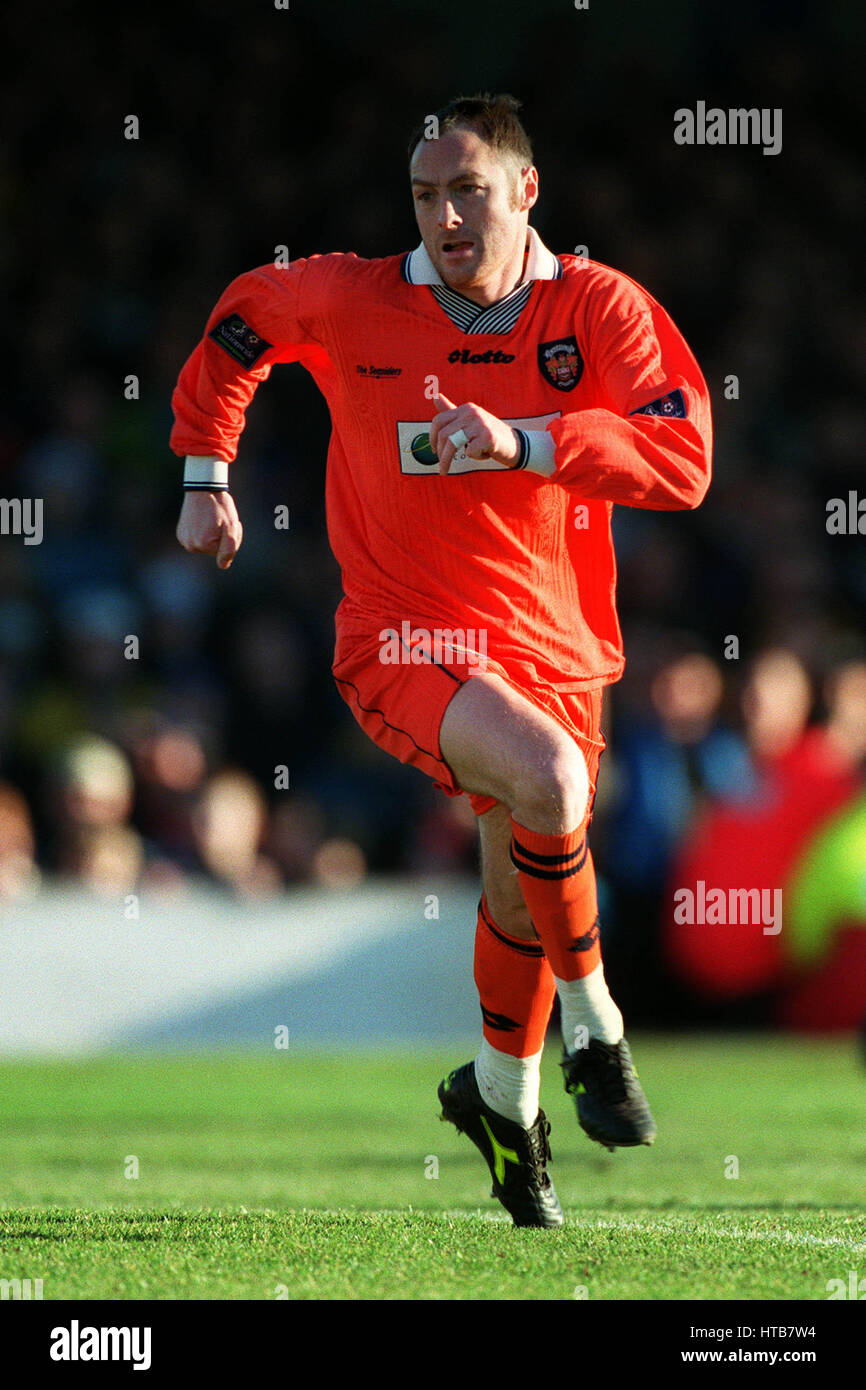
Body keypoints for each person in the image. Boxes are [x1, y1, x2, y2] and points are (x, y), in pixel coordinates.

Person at [171, 94, 712, 1228]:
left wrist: (528, 441)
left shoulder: (597, 307)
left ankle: (500, 1100)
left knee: (518, 876)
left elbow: (682, 458)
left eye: (467, 189)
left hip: (558, 650)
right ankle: (598, 1027)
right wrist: (204, 473)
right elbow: (239, 326)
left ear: (524, 191)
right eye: (424, 194)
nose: (443, 215)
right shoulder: (355, 298)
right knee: (554, 783)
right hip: (402, 636)